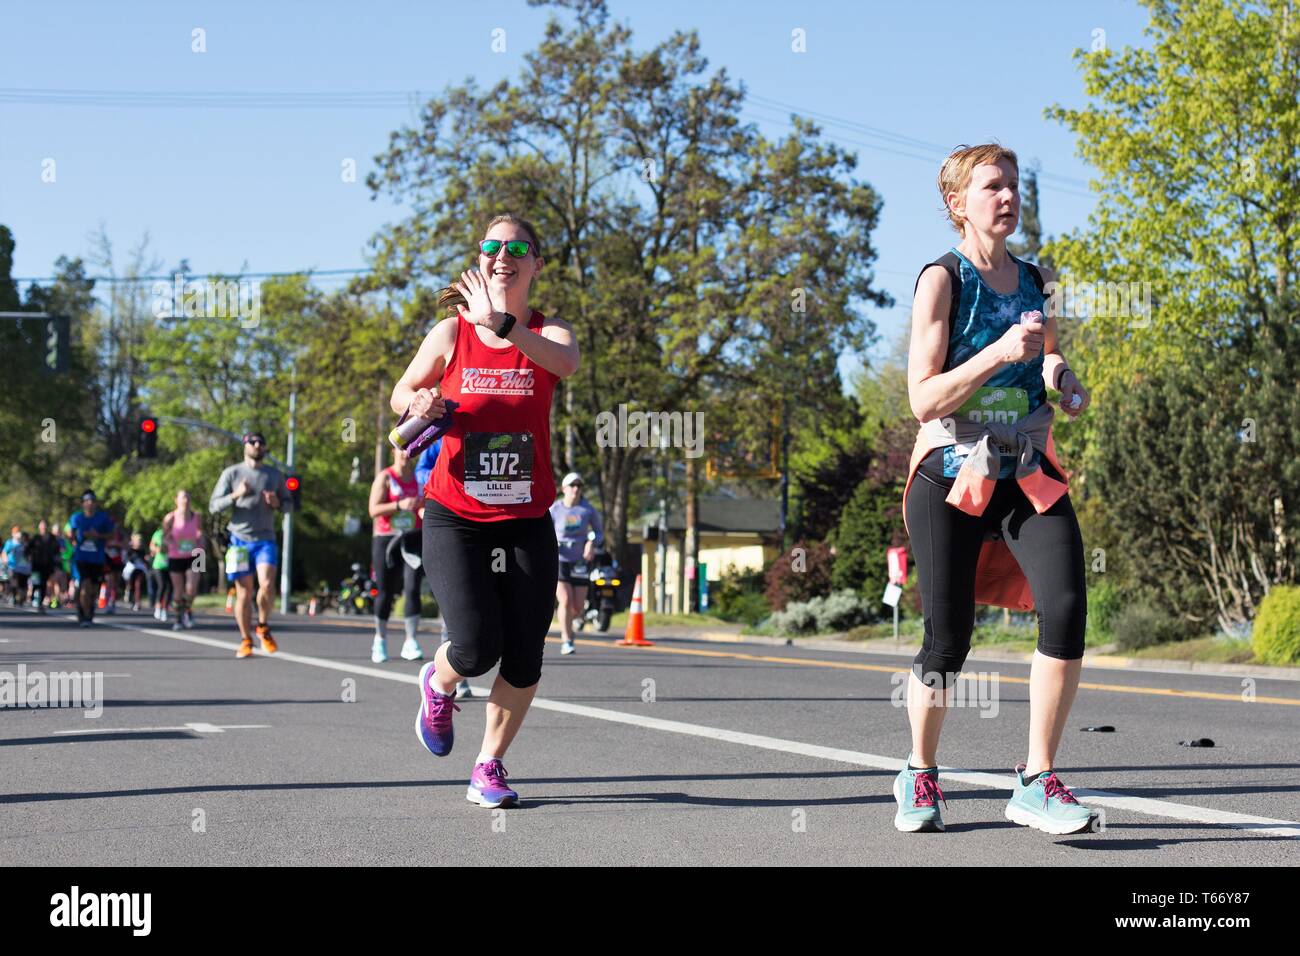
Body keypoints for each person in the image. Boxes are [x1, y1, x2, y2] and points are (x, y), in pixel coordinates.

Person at [897, 143, 1094, 836]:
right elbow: (923, 399)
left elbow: (1045, 355)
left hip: (1027, 467)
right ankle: (919, 769)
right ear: (958, 204)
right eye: (992, 186)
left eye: (1013, 185)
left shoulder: (1037, 279)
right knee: (949, 639)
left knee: (1067, 607)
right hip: (953, 471)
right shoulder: (942, 280)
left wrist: (1058, 379)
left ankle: (1037, 778)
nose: (1008, 196)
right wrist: (997, 354)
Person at [391, 213, 577, 808]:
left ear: (536, 263)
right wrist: (418, 399)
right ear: (481, 256)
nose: (503, 255)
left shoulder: (551, 335)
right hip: (454, 512)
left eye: (516, 247)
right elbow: (400, 395)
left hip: (526, 517)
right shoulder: (450, 335)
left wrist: (501, 324)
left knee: (525, 651)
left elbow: (564, 364)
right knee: (474, 645)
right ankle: (439, 682)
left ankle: (488, 766)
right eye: (492, 247)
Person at [209, 432, 292, 658]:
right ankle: (246, 640)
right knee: (244, 593)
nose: (257, 445)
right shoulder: (232, 473)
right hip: (239, 541)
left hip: (265, 538)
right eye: (253, 442)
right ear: (245, 446)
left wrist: (277, 503)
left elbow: (289, 505)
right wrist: (236, 494)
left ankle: (263, 626)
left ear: (265, 448)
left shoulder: (274, 475)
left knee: (266, 584)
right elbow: (213, 506)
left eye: (261, 443)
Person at [368, 446, 427, 663]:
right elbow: (373, 510)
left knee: (412, 588)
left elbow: (424, 505)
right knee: (385, 591)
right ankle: (380, 640)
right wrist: (399, 504)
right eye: (400, 450)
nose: (404, 454)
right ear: (393, 452)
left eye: (409, 450)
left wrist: (421, 509)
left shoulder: (419, 479)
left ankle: (411, 640)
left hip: (413, 537)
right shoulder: (385, 477)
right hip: (387, 539)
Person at [549, 472, 605, 655]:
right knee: (564, 600)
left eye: (579, 486)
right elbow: (542, 530)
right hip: (560, 560)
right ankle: (566, 639)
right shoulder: (555, 509)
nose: (576, 489)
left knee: (577, 606)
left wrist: (591, 543)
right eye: (572, 485)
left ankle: (570, 630)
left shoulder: (587, 510)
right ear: (564, 489)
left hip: (580, 560)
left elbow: (599, 532)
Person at [67, 491, 116, 627]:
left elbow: (112, 534)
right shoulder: (76, 517)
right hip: (81, 558)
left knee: (94, 589)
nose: (90, 503)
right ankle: (85, 616)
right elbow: (70, 533)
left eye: (93, 501)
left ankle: (87, 609)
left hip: (97, 558)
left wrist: (98, 535)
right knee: (85, 585)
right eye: (87, 500)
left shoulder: (103, 518)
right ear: (83, 503)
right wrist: (74, 539)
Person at [162, 490, 205, 631]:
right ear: (176, 500)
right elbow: (164, 537)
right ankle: (178, 618)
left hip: (196, 554)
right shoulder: (170, 518)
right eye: (183, 497)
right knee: (178, 590)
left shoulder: (197, 516)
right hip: (176, 556)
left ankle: (187, 610)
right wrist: (169, 542)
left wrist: (202, 545)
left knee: (192, 589)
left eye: (188, 497)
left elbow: (200, 533)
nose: (186, 500)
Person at [29, 520, 60, 613]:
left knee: (43, 584)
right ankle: (32, 596)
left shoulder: (52, 538)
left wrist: (57, 560)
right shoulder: (36, 538)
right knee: (36, 583)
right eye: (42, 525)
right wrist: (29, 557)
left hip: (47, 565)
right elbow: (28, 549)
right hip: (36, 564)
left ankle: (40, 603)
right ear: (39, 527)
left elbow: (57, 550)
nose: (43, 527)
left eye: (45, 525)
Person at [148, 526, 173, 622]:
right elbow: (152, 546)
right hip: (159, 565)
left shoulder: (175, 533)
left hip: (171, 564)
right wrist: (157, 549)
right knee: (162, 585)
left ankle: (165, 609)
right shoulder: (158, 533)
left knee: (170, 588)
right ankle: (158, 607)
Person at [2, 526, 30, 607]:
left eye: (19, 532)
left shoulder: (22, 543)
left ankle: (21, 599)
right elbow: (4, 552)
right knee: (14, 582)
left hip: (21, 567)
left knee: (22, 584)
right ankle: (13, 596)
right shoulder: (10, 543)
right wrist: (5, 560)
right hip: (12, 566)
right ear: (13, 534)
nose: (18, 534)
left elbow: (27, 554)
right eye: (16, 532)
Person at [123, 531, 149, 611]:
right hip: (131, 569)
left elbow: (144, 560)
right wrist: (134, 557)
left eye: (140, 541)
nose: (139, 542)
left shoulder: (142, 550)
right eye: (138, 540)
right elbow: (127, 559)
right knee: (131, 585)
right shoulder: (130, 550)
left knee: (138, 584)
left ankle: (137, 602)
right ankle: (130, 597)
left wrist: (145, 560)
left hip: (140, 570)